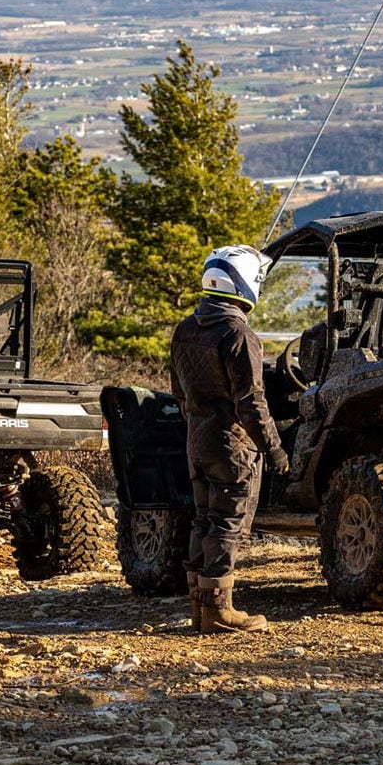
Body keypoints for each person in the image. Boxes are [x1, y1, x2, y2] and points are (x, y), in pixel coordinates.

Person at [170, 245, 291, 633]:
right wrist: (274, 449)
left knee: (203, 520)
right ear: (245, 283)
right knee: (227, 524)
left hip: (197, 441)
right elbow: (251, 401)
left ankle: (200, 607)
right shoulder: (238, 334)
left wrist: (199, 423)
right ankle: (220, 611)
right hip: (232, 446)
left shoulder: (185, 329)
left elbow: (178, 391)